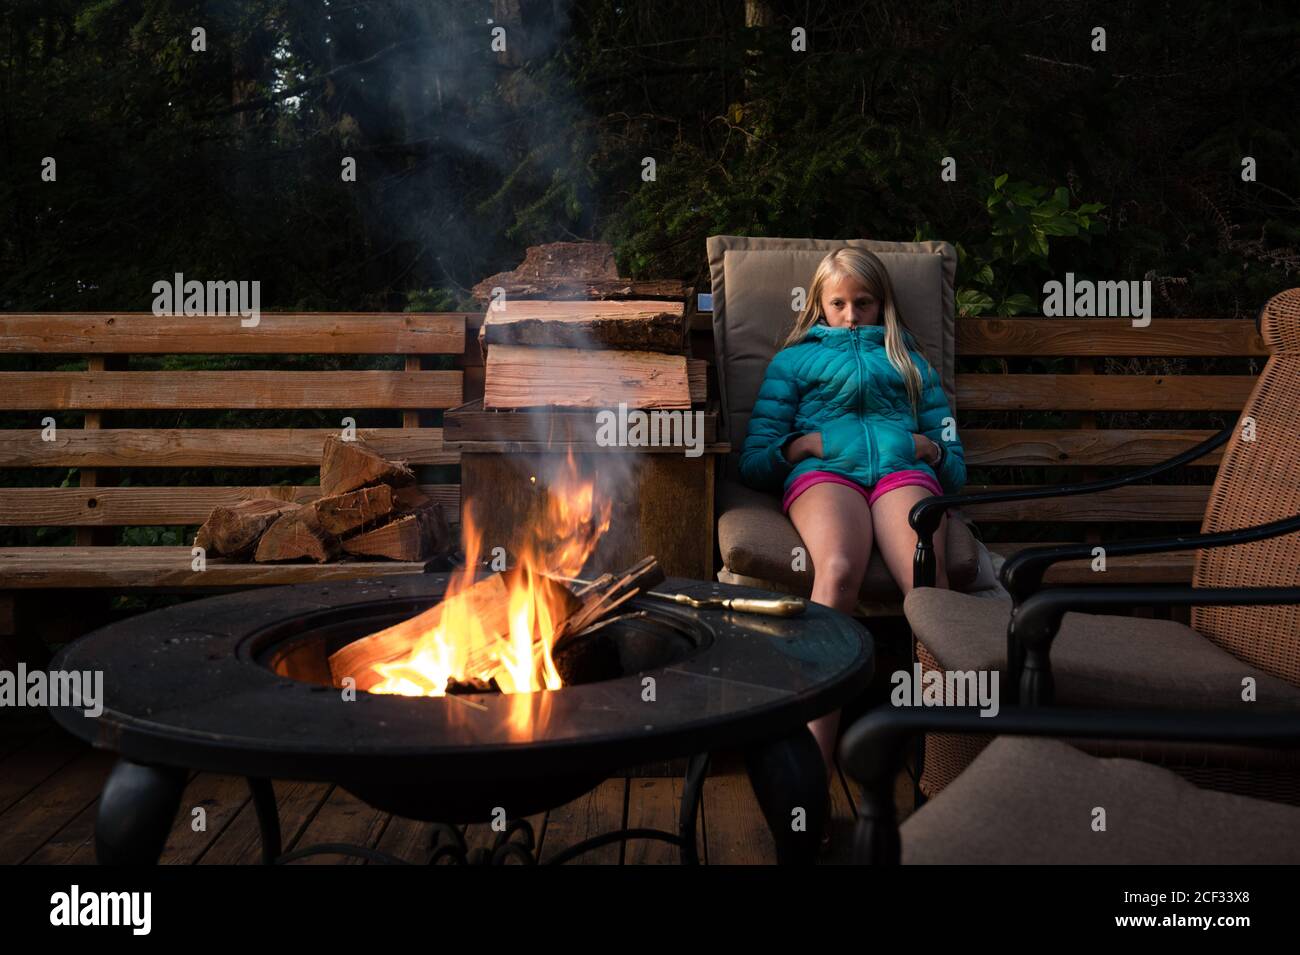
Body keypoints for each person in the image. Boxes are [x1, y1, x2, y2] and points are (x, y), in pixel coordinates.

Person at [739, 247, 966, 795]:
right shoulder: (793, 361)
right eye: (837, 303)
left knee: (926, 580)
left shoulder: (910, 360)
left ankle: (948, 768)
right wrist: (802, 445)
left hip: (899, 471)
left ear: (881, 303)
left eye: (863, 302)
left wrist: (929, 451)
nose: (850, 314)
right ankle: (810, 775)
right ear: (818, 306)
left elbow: (955, 461)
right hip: (826, 476)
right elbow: (754, 459)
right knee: (837, 570)